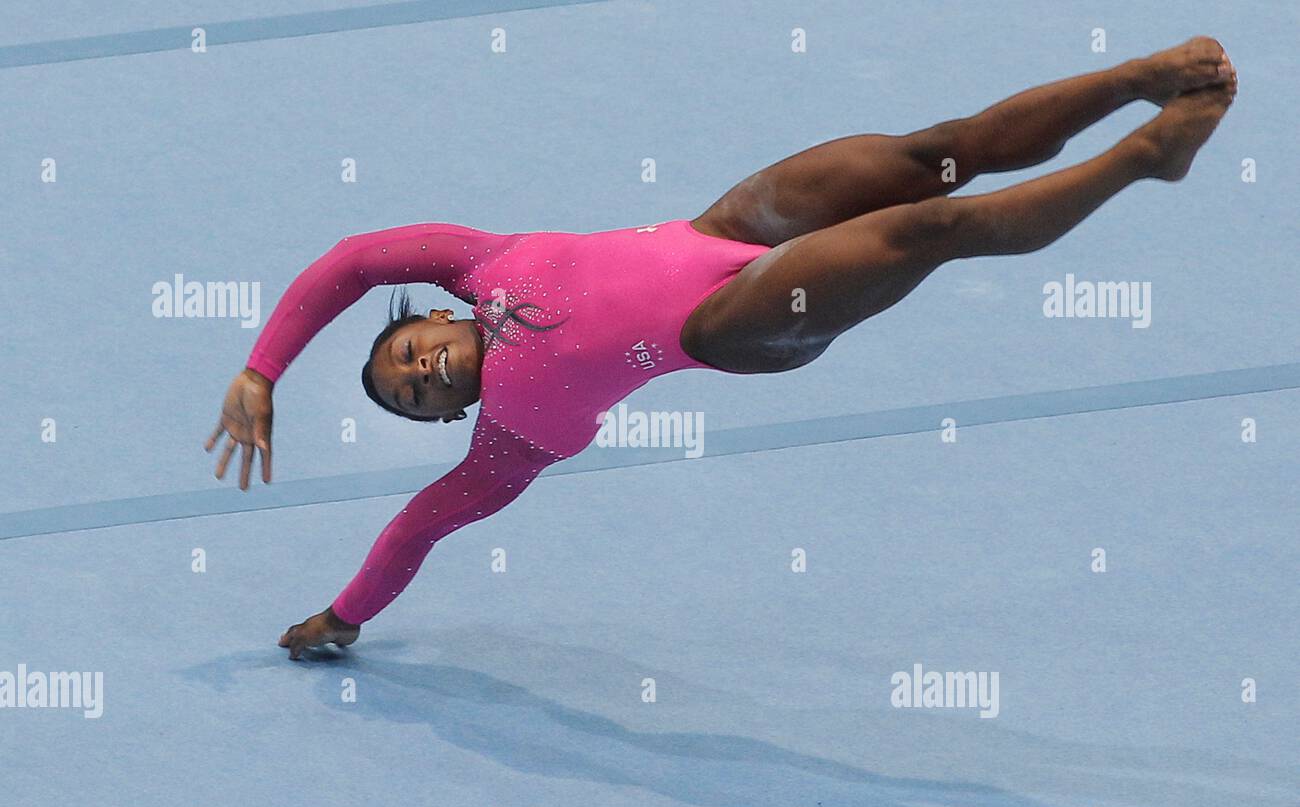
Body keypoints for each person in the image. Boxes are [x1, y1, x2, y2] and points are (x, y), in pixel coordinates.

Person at [204, 38, 1236, 658]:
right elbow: (413, 534)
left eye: (404, 357)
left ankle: (1141, 79)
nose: (419, 376)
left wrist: (261, 369)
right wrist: (339, 617)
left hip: (728, 225)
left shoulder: (479, 258)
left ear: (426, 317)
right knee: (932, 230)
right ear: (455, 419)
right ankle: (1146, 158)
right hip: (738, 325)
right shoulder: (513, 442)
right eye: (416, 402)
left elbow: (350, 258)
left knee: (936, 154)